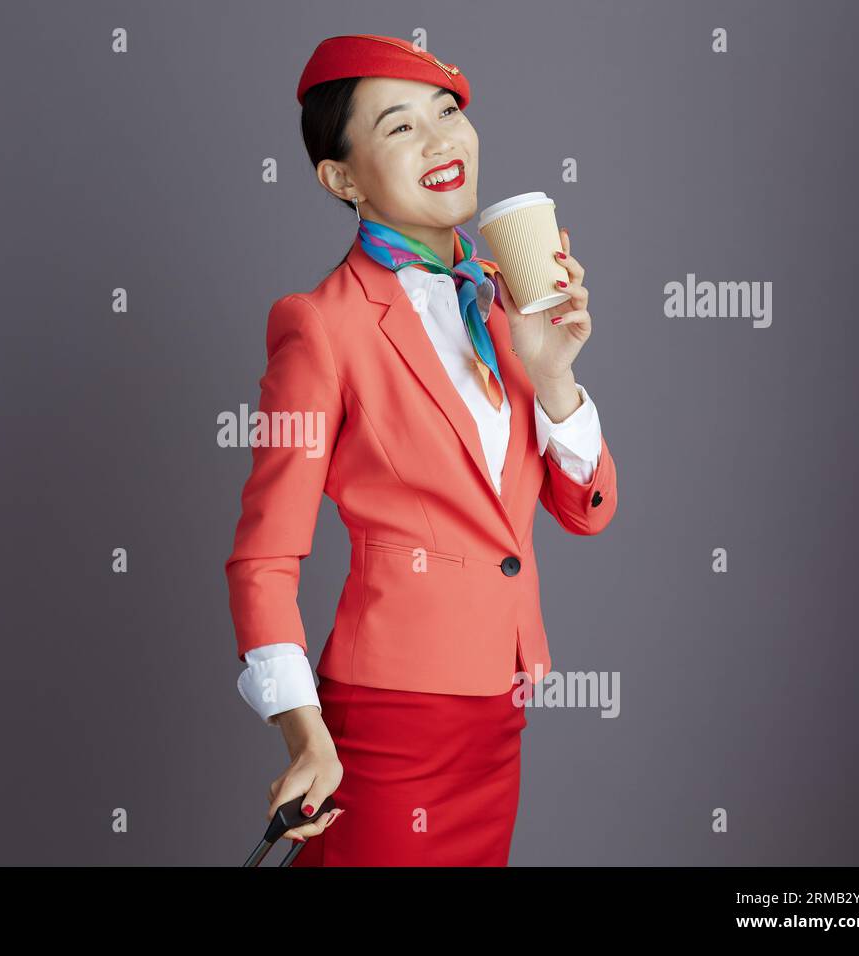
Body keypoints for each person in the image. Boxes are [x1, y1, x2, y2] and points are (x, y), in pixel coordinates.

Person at [225, 34, 619, 866]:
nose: (442, 140)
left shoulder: (503, 298)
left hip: (500, 711)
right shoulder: (321, 325)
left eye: (448, 113)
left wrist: (553, 378)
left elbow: (585, 514)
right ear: (342, 178)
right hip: (390, 719)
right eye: (400, 128)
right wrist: (306, 735)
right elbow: (263, 559)